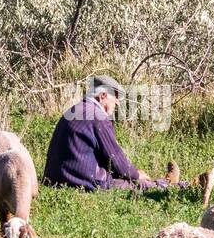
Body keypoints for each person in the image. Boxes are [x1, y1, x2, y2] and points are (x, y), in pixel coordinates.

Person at [43, 75, 182, 191]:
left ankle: (166, 182)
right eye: (115, 96)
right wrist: (135, 174)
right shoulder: (97, 116)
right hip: (81, 182)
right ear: (103, 95)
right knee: (137, 184)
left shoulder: (74, 110)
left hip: (55, 179)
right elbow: (115, 159)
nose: (117, 102)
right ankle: (172, 185)